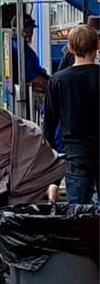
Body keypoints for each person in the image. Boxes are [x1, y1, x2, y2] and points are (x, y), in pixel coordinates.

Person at [42, 24, 99, 206]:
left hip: (75, 151)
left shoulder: (58, 80)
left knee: (77, 207)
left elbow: (50, 121)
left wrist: (50, 149)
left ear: (70, 49)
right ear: (97, 46)